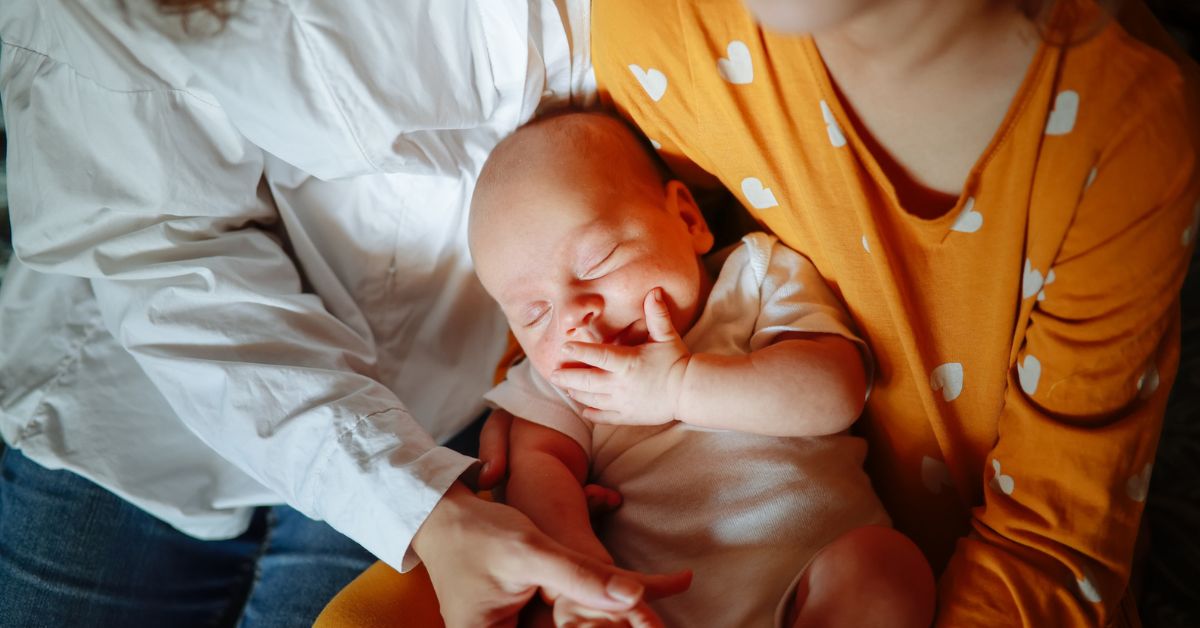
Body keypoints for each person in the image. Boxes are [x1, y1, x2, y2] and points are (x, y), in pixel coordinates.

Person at [0, 1, 687, 626]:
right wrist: (421, 510)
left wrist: (536, 392)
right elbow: (157, 251)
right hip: (133, 425)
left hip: (443, 428)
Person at [577, 0, 1200, 625]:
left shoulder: (1121, 127)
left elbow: (1050, 545)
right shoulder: (660, 30)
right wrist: (538, 452)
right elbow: (579, 258)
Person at [468, 110, 935, 627]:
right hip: (658, 612)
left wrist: (680, 387)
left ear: (688, 220)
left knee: (887, 568)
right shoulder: (566, 378)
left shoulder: (754, 280)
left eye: (597, 260)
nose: (575, 315)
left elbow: (836, 390)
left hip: (814, 581)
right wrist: (581, 563)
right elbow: (537, 472)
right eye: (535, 314)